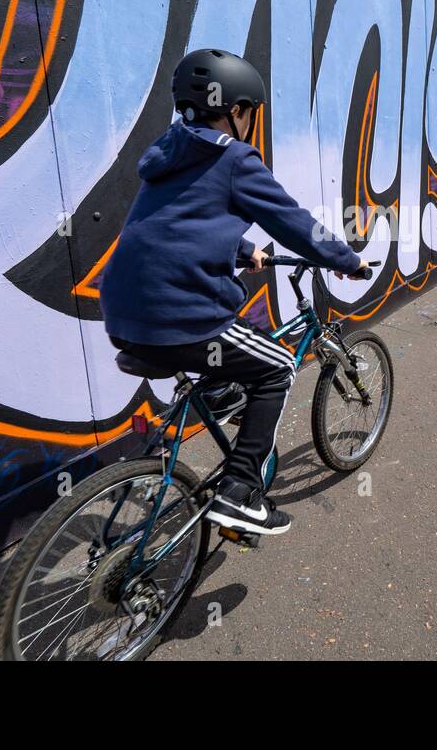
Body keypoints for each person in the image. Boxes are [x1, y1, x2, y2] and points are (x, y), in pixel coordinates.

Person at [98, 48, 368, 535]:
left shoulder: (171, 152)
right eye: (251, 113)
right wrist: (348, 261)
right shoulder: (234, 157)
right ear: (237, 110)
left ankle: (220, 393)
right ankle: (240, 493)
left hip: (123, 315)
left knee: (232, 351)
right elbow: (296, 224)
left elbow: (176, 224)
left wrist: (244, 250)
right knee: (277, 367)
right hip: (181, 315)